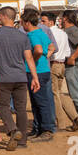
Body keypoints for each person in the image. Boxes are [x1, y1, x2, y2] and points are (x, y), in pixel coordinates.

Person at [0, 6, 39, 151]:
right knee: (21, 109)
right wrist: (35, 77)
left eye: (0, 16)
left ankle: (12, 130)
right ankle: (22, 141)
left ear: (4, 16)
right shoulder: (23, 36)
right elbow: (29, 58)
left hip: (3, 77)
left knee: (3, 106)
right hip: (21, 77)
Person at [22, 10, 57, 141]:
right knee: (39, 101)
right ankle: (38, 128)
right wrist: (45, 58)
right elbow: (51, 47)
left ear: (26, 22)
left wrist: (33, 59)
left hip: (37, 71)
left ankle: (46, 130)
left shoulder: (32, 35)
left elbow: (38, 49)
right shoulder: (42, 32)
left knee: (40, 101)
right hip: (44, 70)